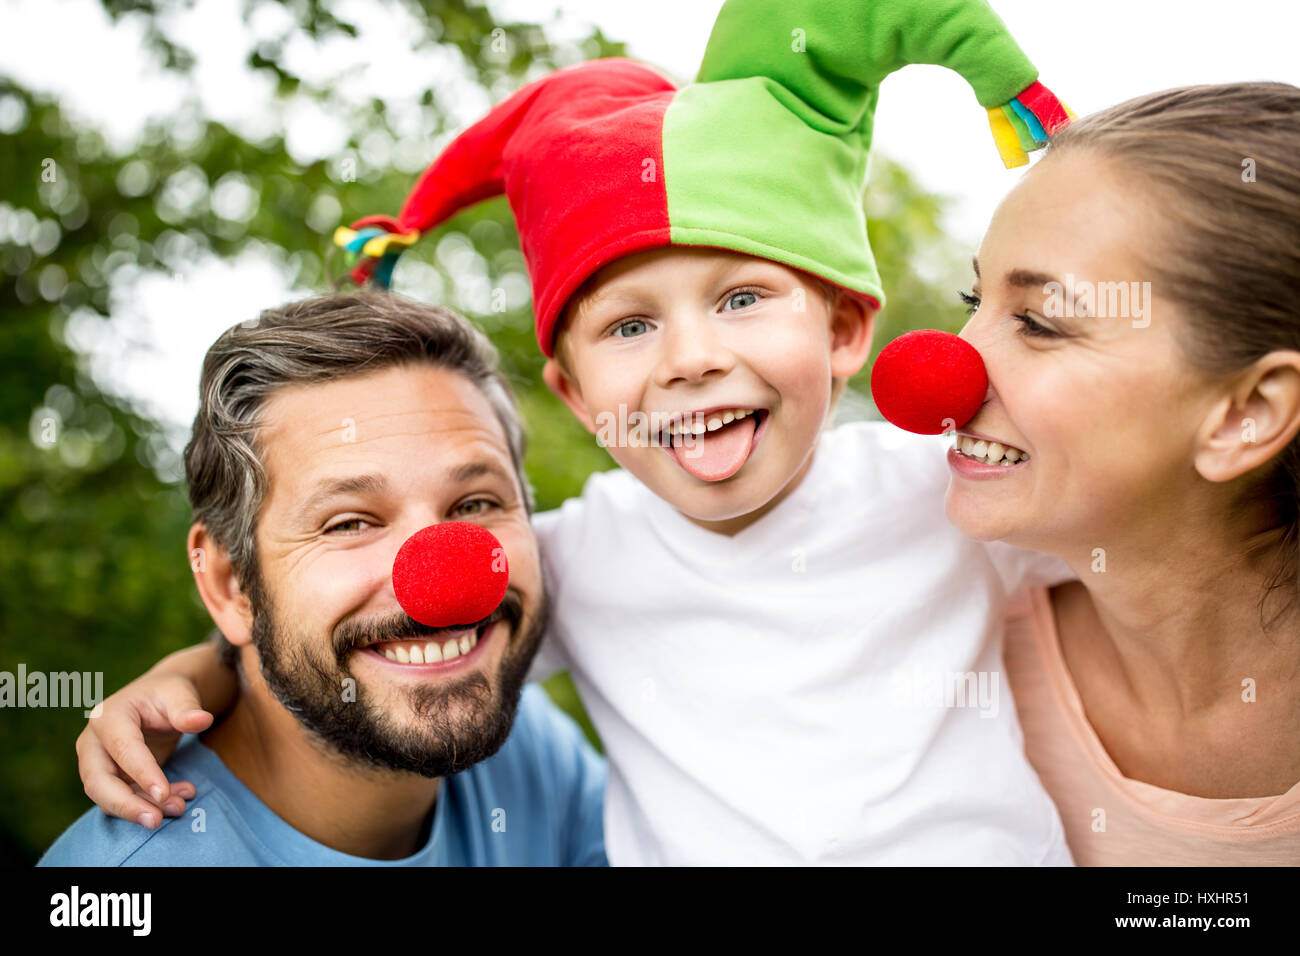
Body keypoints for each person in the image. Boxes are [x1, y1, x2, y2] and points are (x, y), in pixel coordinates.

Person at [70, 0, 1077, 864]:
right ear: (575, 392)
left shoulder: (956, 490)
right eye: (631, 325)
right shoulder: (574, 559)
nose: (689, 358)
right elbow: (356, 619)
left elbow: (1166, 539)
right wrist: (189, 677)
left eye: (740, 298)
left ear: (847, 326)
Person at [41, 292, 608, 866]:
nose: (443, 586)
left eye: (474, 504)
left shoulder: (530, 752)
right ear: (230, 584)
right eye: (350, 522)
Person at [953, 82, 1300, 865]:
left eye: (1038, 323)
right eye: (970, 298)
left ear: (1246, 412)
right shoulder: (953, 665)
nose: (942, 371)